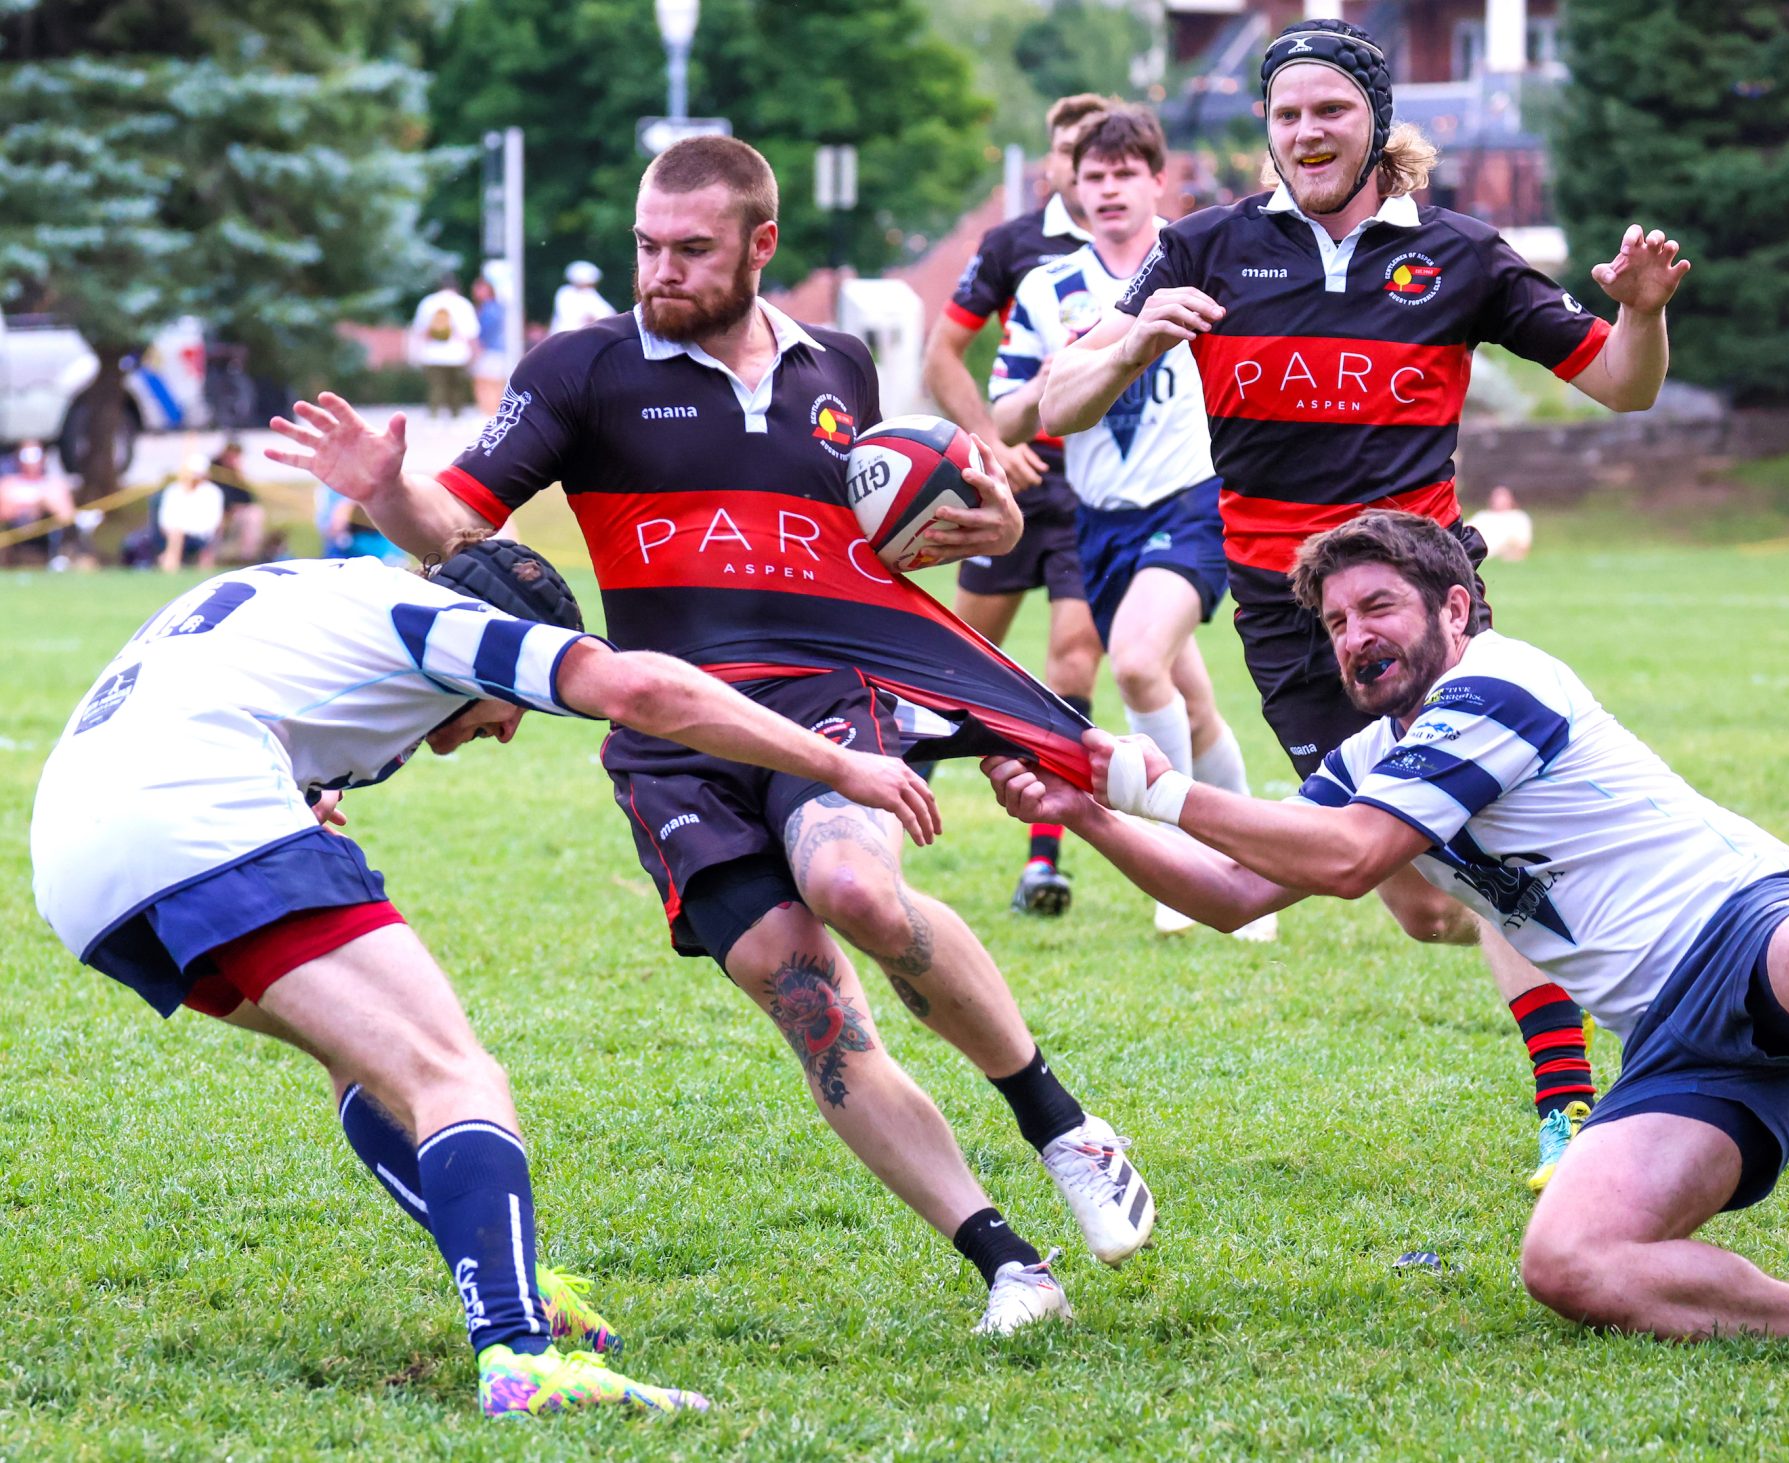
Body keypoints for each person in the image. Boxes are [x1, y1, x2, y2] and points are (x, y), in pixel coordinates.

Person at [266, 135, 1157, 1336]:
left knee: (854, 885)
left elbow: (877, 547)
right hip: (668, 733)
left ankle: (1060, 1125)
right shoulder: (583, 370)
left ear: (760, 247)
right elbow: (460, 535)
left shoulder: (835, 364)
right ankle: (1008, 1262)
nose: (661, 270)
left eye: (690, 249)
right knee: (804, 995)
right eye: (647, 246)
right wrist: (384, 492)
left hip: (821, 701)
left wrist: (975, 521)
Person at [985, 509, 1789, 1352]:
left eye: (1376, 606)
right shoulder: (1364, 760)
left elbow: (1349, 858)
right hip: (1672, 1045)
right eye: (1335, 621)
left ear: (1454, 605)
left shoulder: (1497, 681)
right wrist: (1088, 814)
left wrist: (1147, 783)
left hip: (1743, 927)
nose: (1351, 635)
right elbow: (1227, 893)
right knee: (1569, 1262)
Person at [31, 536, 939, 1415]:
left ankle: (513, 1278)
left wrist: (299, 785)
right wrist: (837, 760)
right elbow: (639, 687)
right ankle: (518, 1354)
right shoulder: (442, 617)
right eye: (513, 706)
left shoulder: (322, 586)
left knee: (373, 1058)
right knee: (452, 1072)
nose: (507, 729)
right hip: (193, 809)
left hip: (77, 855)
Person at [1039, 19, 1692, 1187]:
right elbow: (1059, 403)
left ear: (1373, 123)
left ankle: (1570, 1110)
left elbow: (1619, 387)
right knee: (1420, 898)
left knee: (1477, 835)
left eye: (1329, 109)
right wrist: (1137, 337)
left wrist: (1640, 311)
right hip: (1292, 618)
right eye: (1286, 114)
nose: (1306, 132)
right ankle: (1597, 1039)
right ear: (1266, 132)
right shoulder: (1199, 248)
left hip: (1425, 601)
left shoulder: (1459, 255)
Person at [990, 105, 1268, 942]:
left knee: (1140, 666)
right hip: (1100, 521)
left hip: (1192, 502)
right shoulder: (1048, 289)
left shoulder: (1202, 261)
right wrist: (1059, 372)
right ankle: (1257, 868)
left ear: (1158, 180)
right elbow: (1005, 419)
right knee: (1191, 700)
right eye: (1093, 175)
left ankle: (1179, 864)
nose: (1108, 189)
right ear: (1072, 187)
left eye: (1125, 173)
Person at [922, 92, 1111, 918]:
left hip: (1097, 496)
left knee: (1073, 661)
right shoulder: (1013, 245)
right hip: (1009, 486)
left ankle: (1045, 859)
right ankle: (887, 799)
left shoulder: (1145, 250)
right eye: (1072, 151)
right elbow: (943, 354)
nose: (1081, 168)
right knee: (955, 661)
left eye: (1101, 156)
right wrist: (988, 443)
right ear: (1052, 159)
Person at [409, 273, 482, 420]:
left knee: (436, 388)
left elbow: (419, 330)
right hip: (458, 353)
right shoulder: (463, 304)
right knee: (456, 388)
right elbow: (471, 333)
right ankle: (456, 416)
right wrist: (475, 353)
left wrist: (416, 352)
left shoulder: (428, 303)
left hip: (432, 353)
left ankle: (434, 417)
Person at [0, 441, 76, 568]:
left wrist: (44, 507)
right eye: (26, 455)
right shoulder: (9, 484)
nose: (31, 462)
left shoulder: (53, 485)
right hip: (17, 537)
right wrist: (28, 511)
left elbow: (67, 517)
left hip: (46, 538)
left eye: (35, 455)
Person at [157, 452, 225, 571]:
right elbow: (166, 518)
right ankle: (170, 566)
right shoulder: (173, 490)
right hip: (175, 534)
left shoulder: (213, 492)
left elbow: (213, 520)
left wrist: (191, 530)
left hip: (202, 534)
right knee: (176, 534)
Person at [207, 438, 270, 563]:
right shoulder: (214, 472)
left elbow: (248, 499)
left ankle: (247, 557)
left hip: (234, 513)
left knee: (254, 514)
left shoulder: (235, 475)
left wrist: (239, 475)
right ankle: (209, 557)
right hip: (217, 512)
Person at [471, 274, 510, 412]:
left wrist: (477, 349)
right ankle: (493, 411)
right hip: (500, 350)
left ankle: (488, 411)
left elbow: (483, 333)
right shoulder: (499, 308)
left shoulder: (488, 309)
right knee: (496, 384)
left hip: (489, 350)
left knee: (485, 383)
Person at [1468, 485, 1533, 562]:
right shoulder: (1482, 516)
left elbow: (1523, 544)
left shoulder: (1518, 517)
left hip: (1503, 554)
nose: (1499, 501)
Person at [550, 260, 615, 334]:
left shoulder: (591, 294)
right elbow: (571, 318)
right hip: (565, 335)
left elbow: (609, 314)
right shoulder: (565, 293)